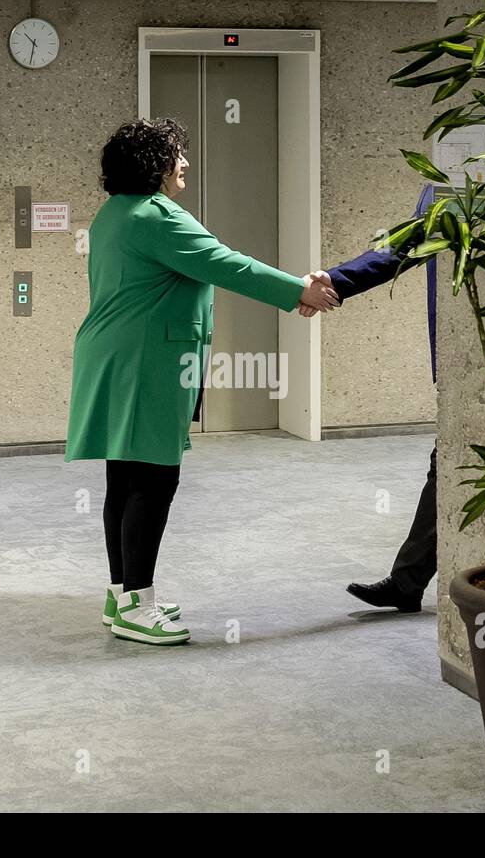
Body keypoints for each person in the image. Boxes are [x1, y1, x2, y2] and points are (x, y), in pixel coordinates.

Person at [65, 118, 339, 645]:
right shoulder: (155, 217)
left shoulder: (116, 213)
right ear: (153, 163)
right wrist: (298, 290)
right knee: (153, 478)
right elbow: (225, 264)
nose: (185, 162)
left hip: (117, 353)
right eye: (176, 153)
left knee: (124, 476)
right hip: (146, 360)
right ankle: (136, 607)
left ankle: (124, 593)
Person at [299, 183, 438, 612]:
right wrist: (334, 280)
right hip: (470, 362)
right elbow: (405, 244)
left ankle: (409, 582)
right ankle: (407, 582)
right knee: (449, 464)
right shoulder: (450, 173)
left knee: (450, 464)